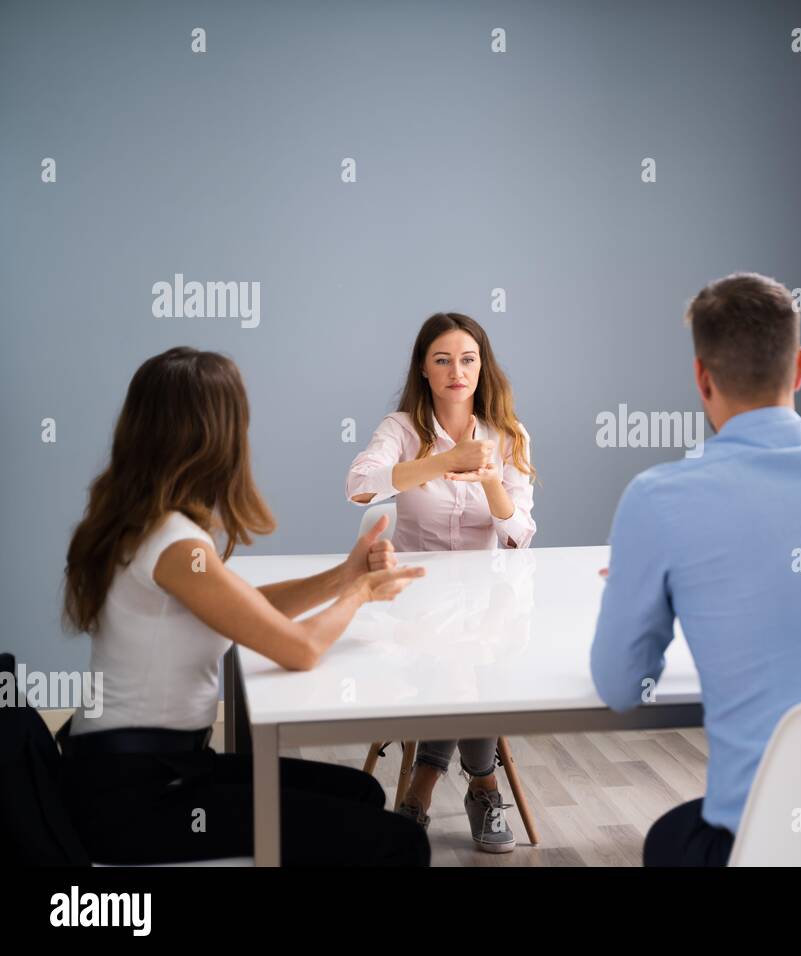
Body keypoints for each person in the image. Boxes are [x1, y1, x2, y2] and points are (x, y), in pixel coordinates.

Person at [590, 272, 801, 866]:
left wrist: (646, 589)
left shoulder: (659, 497)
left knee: (669, 839)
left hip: (773, 843)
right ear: (799, 367)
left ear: (701, 377)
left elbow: (621, 689)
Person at [60, 347, 430, 866]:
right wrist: (361, 594)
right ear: (213, 436)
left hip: (140, 775)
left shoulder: (144, 522)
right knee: (401, 843)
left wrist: (345, 574)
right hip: (138, 800)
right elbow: (300, 651)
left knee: (361, 795)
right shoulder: (175, 542)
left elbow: (241, 606)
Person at [347, 312, 536, 852]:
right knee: (465, 654)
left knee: (475, 646)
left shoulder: (508, 434)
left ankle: (421, 788)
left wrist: (492, 481)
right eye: (443, 359)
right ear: (424, 371)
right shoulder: (401, 429)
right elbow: (359, 487)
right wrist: (442, 462)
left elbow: (519, 537)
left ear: (482, 367)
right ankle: (483, 785)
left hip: (486, 595)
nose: (458, 370)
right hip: (412, 593)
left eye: (469, 359)